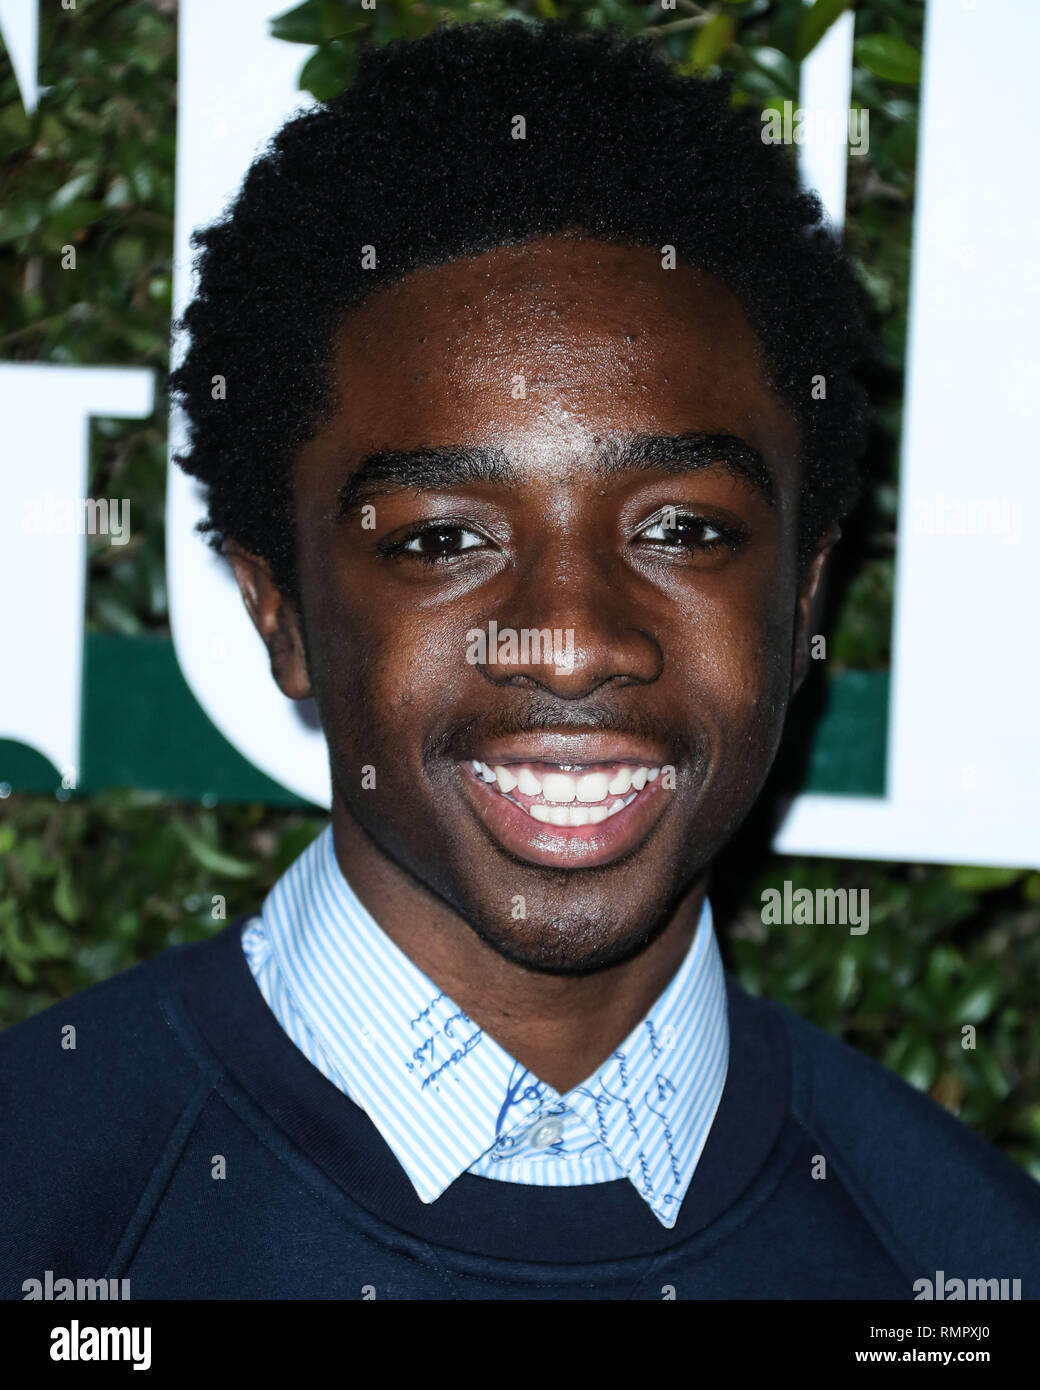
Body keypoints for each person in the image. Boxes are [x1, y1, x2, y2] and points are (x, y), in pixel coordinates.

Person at [3, 20, 1038, 1301]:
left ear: (803, 591)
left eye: (680, 528)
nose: (571, 642)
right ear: (278, 613)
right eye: (442, 538)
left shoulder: (968, 1266)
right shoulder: (40, 1198)